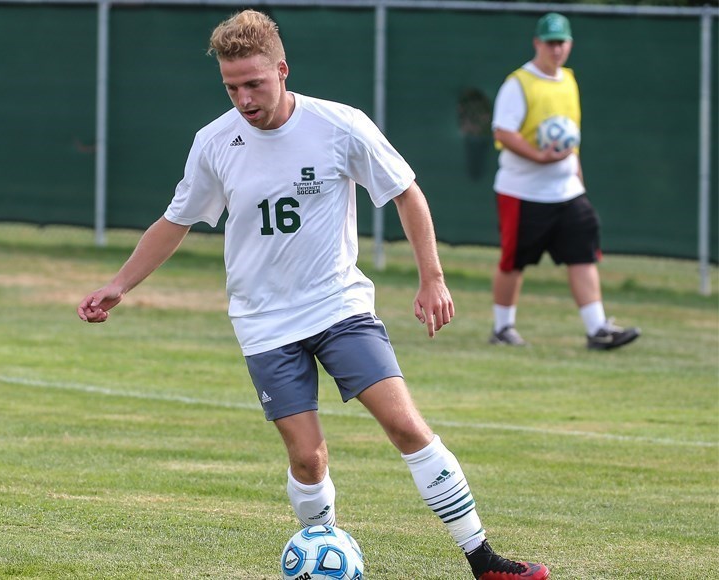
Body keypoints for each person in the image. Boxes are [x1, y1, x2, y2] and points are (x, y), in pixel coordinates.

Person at [78, 10, 548, 579]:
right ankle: (319, 558)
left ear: (282, 69)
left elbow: (407, 193)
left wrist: (433, 278)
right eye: (232, 87)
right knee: (307, 457)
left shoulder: (339, 126)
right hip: (263, 322)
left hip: (338, 306)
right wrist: (118, 284)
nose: (245, 99)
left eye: (254, 83)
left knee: (404, 426)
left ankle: (484, 561)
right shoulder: (213, 143)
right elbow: (175, 221)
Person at [489, 12, 640, 350]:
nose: (557, 50)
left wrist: (577, 176)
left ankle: (597, 330)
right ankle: (502, 328)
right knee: (513, 261)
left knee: (583, 253)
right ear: (537, 43)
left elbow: (571, 140)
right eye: (551, 42)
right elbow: (503, 132)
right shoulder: (519, 83)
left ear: (570, 44)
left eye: (562, 42)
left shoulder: (569, 80)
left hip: (567, 191)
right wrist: (539, 156)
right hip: (522, 190)